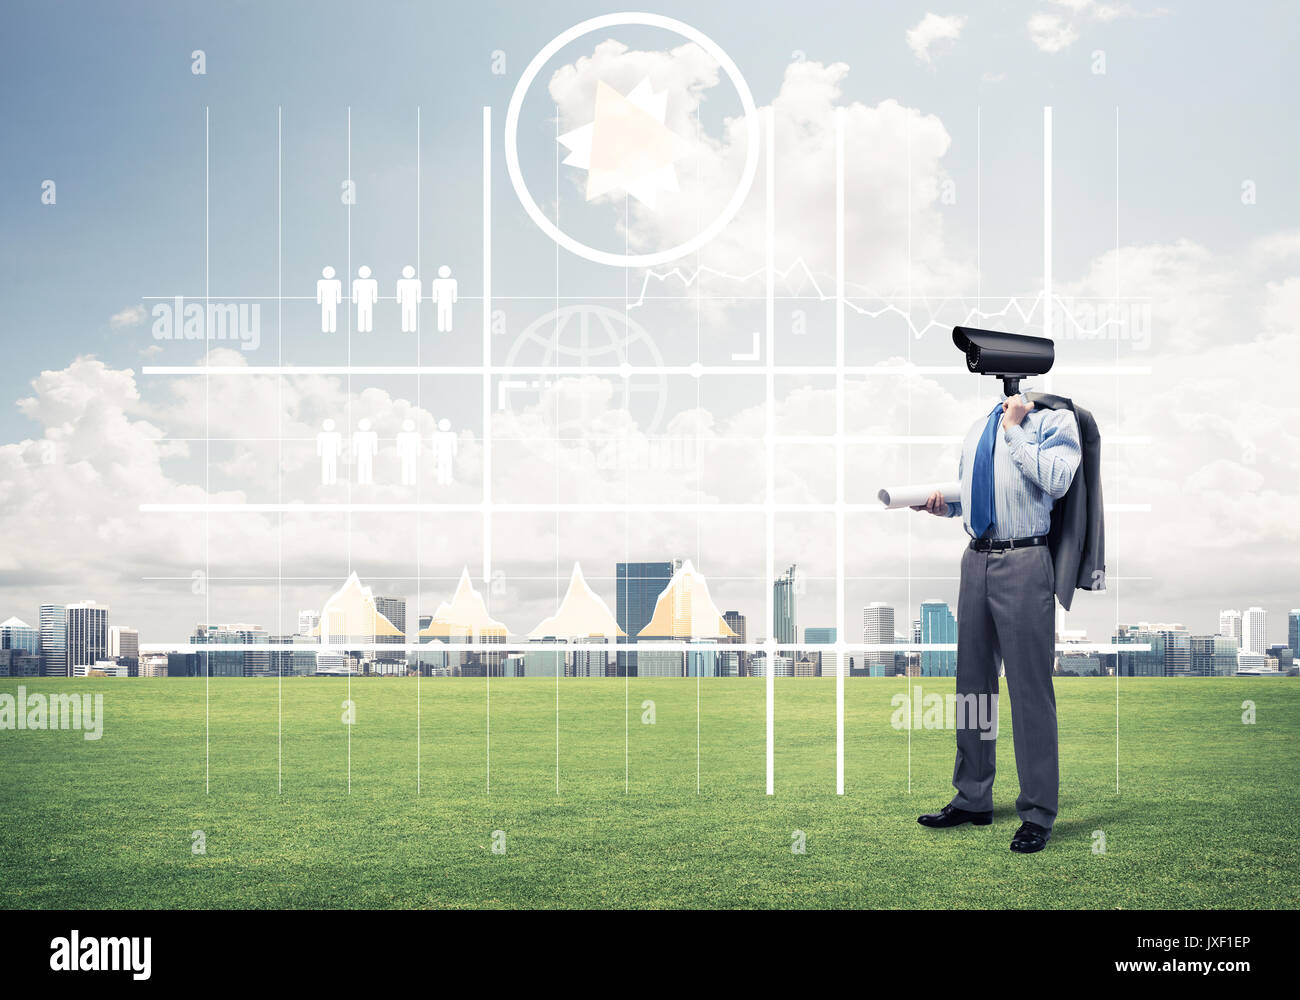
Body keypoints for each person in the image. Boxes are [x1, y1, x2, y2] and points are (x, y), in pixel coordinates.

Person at [912, 390, 1081, 854]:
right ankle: (972, 798)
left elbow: (1058, 479)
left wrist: (1014, 429)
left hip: (1026, 558)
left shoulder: (1054, 421)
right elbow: (975, 496)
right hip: (975, 560)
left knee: (1029, 690)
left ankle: (1037, 813)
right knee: (972, 687)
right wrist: (943, 506)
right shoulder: (976, 427)